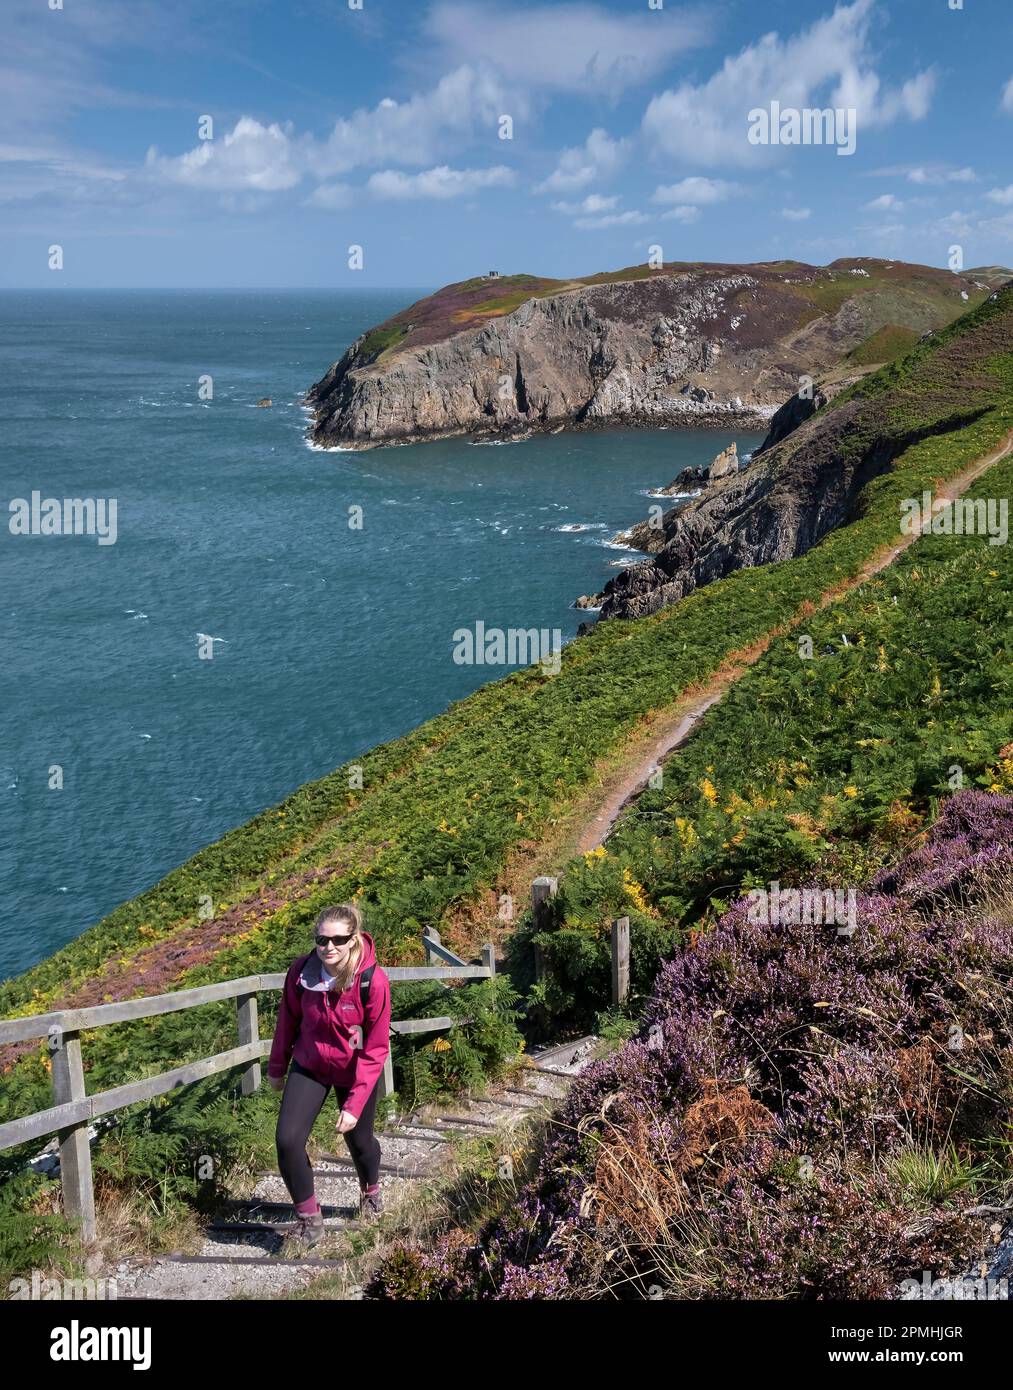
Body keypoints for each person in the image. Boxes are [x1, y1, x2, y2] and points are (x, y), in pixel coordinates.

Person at [267, 903, 392, 1252]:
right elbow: (286, 1024)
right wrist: (277, 1068)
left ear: (353, 939)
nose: (329, 947)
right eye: (322, 940)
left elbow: (376, 1047)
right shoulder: (301, 974)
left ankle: (370, 1192)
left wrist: (353, 1106)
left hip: (355, 1071)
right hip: (310, 1064)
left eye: (339, 939)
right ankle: (309, 1219)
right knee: (288, 1141)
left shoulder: (372, 982)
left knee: (360, 1142)